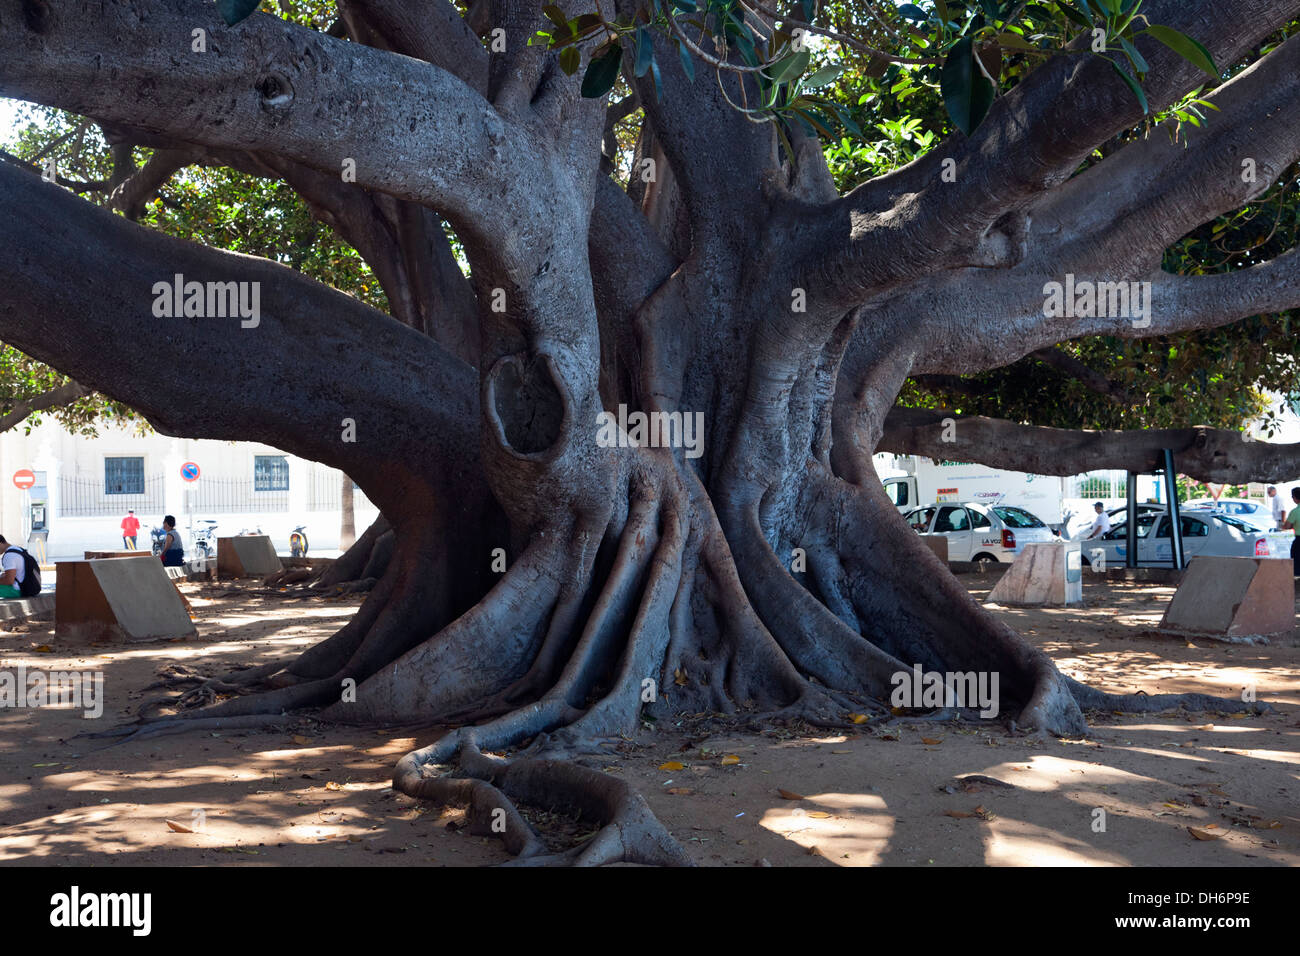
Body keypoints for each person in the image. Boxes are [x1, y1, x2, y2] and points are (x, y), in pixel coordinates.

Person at [0, 533, 41, 598]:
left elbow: (9, 581)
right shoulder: (18, 550)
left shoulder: (9, 556)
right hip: (30, 587)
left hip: (20, 590)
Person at [1283, 489, 1300, 577]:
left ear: (1295, 498)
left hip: (1299, 541)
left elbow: (1286, 526)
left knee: (1297, 564)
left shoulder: (1295, 512)